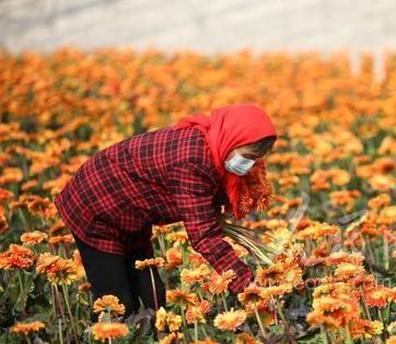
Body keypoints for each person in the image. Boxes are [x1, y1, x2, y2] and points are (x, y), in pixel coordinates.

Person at [54, 104, 276, 314]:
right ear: (232, 138)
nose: (249, 165)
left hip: (132, 214)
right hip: (95, 206)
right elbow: (204, 236)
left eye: (255, 159)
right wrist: (248, 285)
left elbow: (204, 201)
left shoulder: (213, 145)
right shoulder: (192, 160)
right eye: (247, 157)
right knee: (117, 306)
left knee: (153, 301)